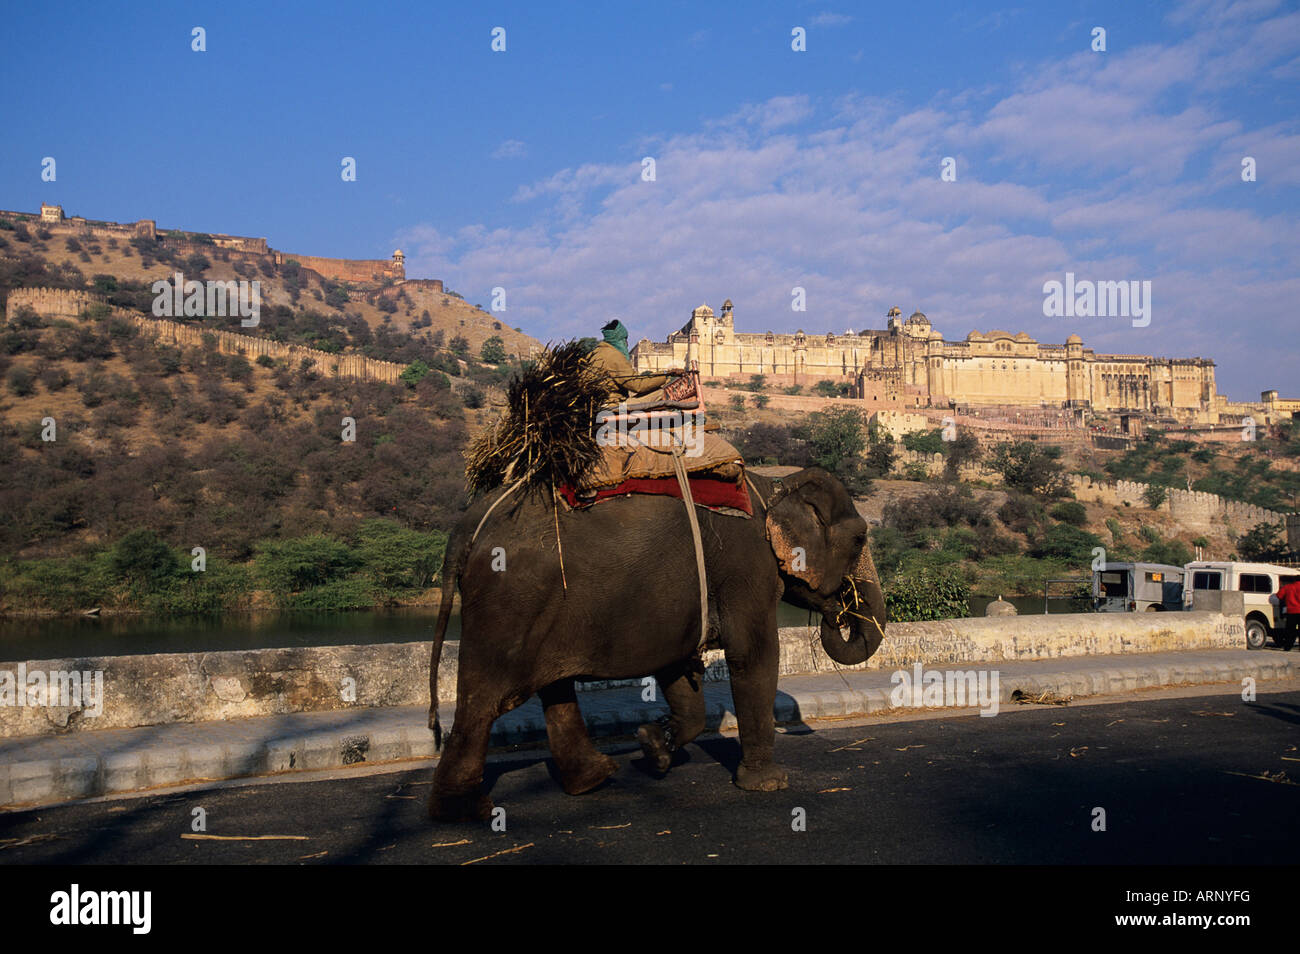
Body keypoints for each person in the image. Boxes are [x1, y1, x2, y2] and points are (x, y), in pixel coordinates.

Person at [1273, 577, 1300, 650]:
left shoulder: (1288, 587)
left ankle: (1288, 647)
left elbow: (1279, 596)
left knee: (1290, 631)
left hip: (1291, 612)